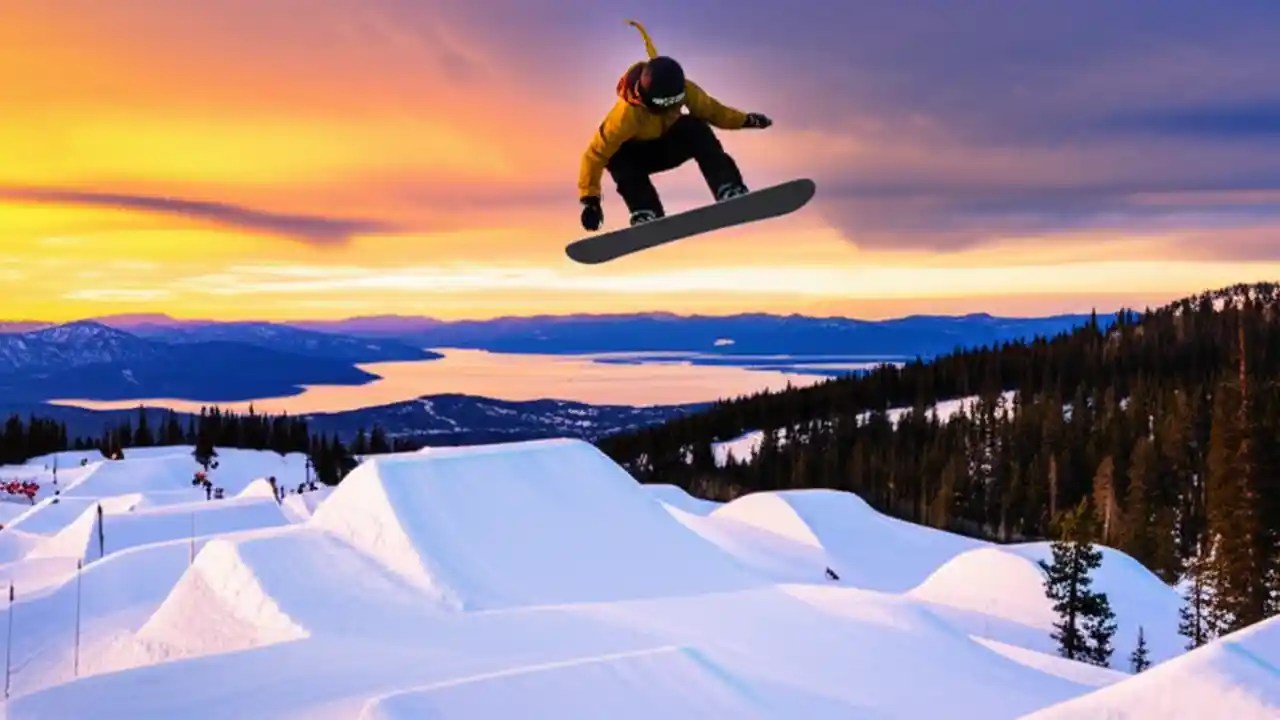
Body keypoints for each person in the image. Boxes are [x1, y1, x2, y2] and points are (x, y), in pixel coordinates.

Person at [578, 20, 773, 230]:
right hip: (639, 158)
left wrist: (746, 120)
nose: (669, 110)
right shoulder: (625, 115)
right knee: (615, 155)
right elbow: (595, 154)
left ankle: (728, 187)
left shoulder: (685, 90)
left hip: (670, 146)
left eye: (674, 104)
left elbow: (712, 111)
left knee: (695, 126)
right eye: (662, 106)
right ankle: (645, 210)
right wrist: (591, 200)